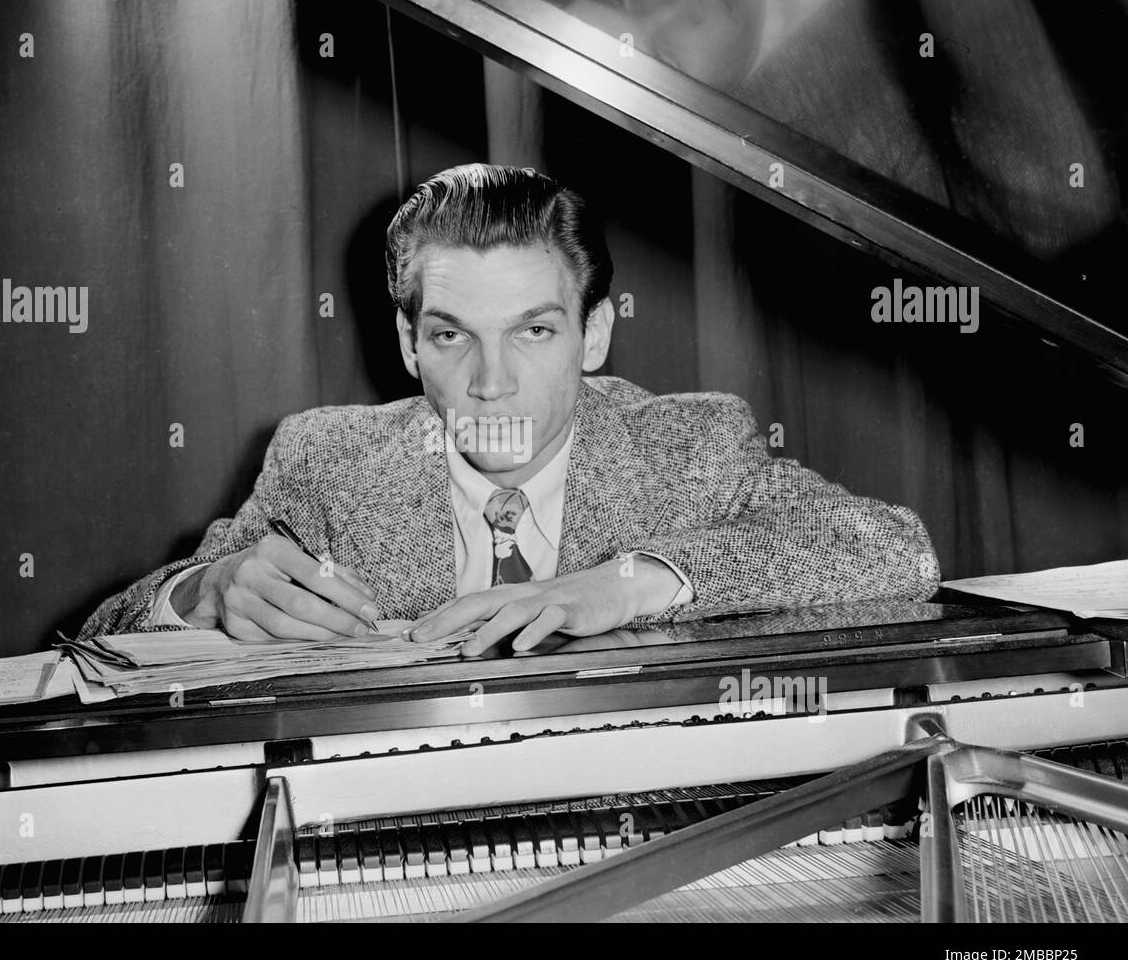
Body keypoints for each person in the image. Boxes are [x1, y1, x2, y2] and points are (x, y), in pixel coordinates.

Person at [81, 163, 939, 657]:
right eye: (452, 336)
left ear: (594, 333)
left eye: (533, 329)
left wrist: (621, 584)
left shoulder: (692, 444)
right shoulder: (323, 461)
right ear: (410, 344)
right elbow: (101, 635)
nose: (491, 382)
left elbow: (893, 548)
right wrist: (208, 590)